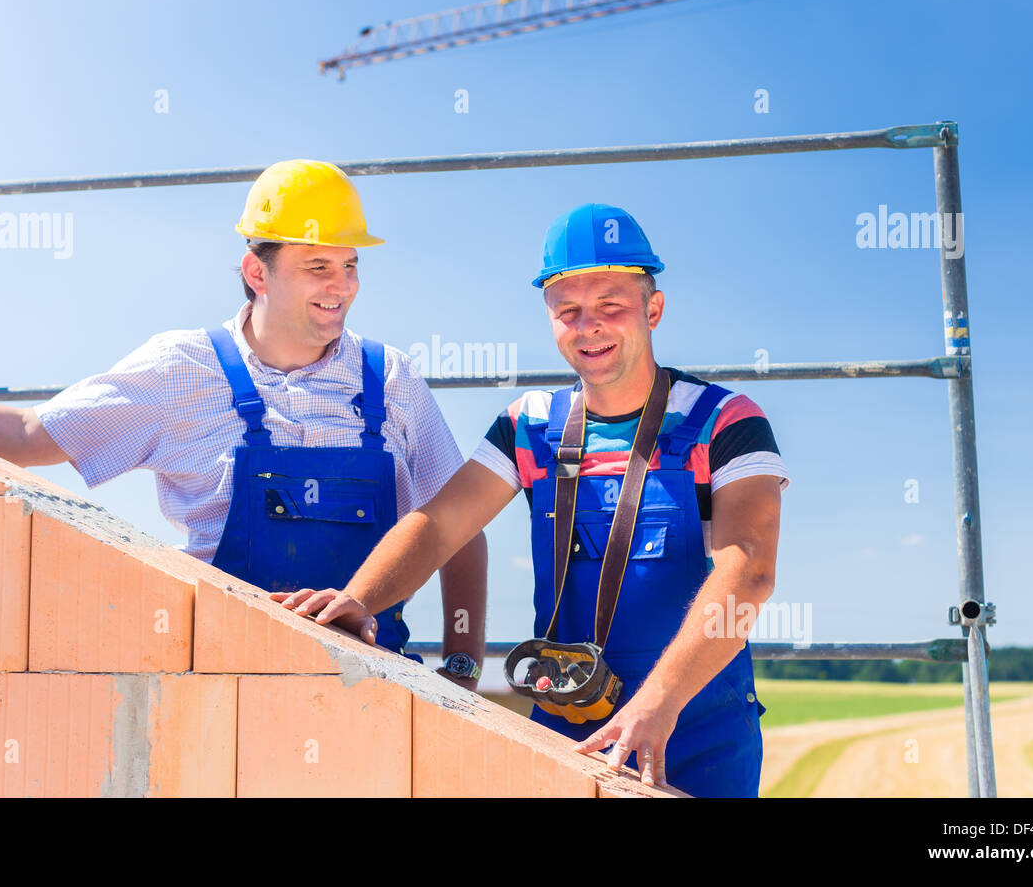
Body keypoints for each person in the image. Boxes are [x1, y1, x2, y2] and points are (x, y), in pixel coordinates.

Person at [0, 159, 487, 686]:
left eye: (349, 265)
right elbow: (34, 434)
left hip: (372, 684)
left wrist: (461, 665)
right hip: (220, 684)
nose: (342, 287)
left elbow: (460, 526)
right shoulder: (182, 370)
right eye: (317, 267)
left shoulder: (392, 380)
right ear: (257, 272)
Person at [275, 203, 788, 794]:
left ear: (654, 308)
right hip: (568, 723)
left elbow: (748, 569)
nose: (588, 325)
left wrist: (658, 705)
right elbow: (442, 525)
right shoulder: (531, 425)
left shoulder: (723, 420)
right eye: (568, 310)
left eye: (611, 307)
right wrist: (361, 600)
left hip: (696, 732)